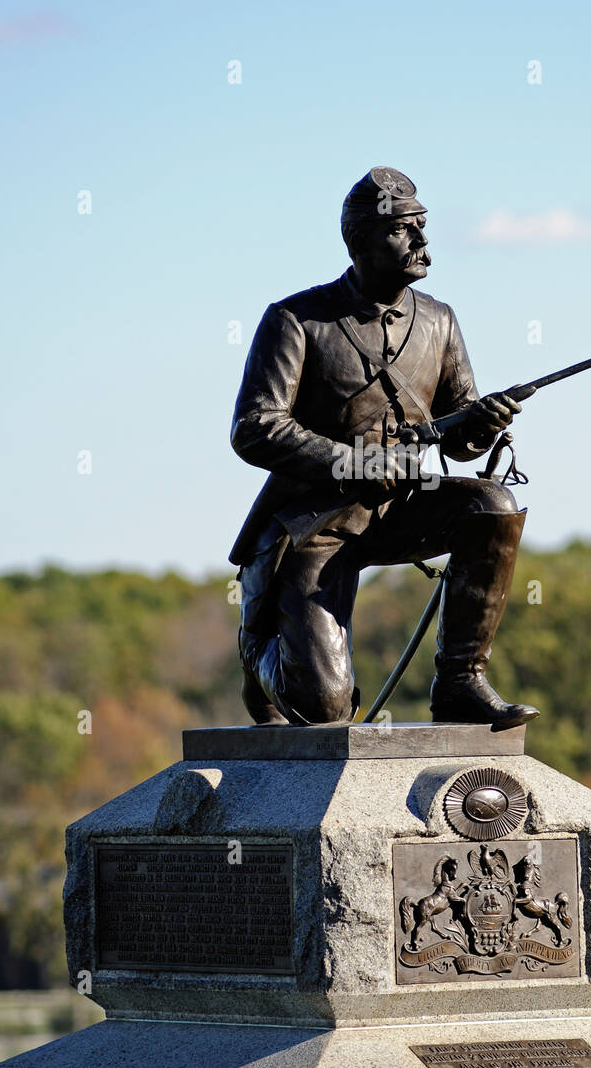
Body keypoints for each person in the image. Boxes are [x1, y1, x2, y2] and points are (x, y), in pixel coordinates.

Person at [229, 166, 538, 730]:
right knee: (324, 711)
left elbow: (457, 433)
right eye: (403, 229)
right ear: (360, 241)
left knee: (492, 504)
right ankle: (259, 656)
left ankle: (460, 682)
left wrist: (483, 425)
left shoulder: (440, 320)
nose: (421, 241)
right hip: (315, 521)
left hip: (403, 507)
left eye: (422, 226)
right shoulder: (297, 319)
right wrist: (353, 462)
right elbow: (254, 426)